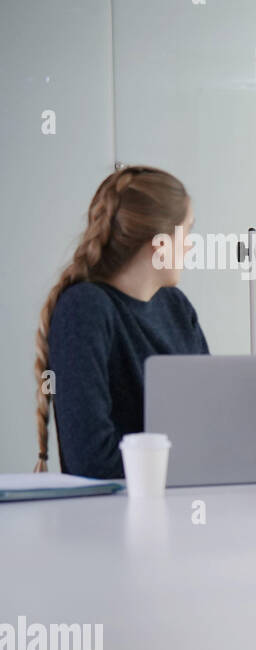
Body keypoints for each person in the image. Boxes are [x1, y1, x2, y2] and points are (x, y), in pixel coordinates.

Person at [34, 165, 208, 479]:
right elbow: (91, 460)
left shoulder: (177, 307)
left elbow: (209, 420)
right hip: (112, 518)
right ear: (161, 244)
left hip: (183, 502)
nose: (190, 245)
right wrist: (194, 462)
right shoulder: (85, 309)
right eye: (188, 231)